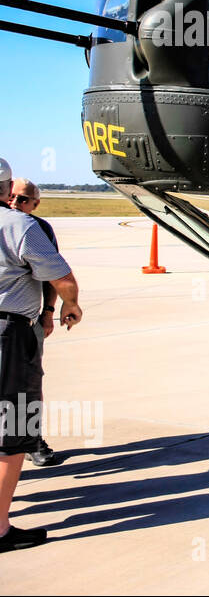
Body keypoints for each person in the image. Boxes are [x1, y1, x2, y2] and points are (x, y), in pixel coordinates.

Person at [0, 157, 82, 553]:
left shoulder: (33, 225)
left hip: (19, 326)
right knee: (13, 430)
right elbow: (61, 277)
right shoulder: (21, 227)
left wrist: (48, 311)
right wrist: (72, 305)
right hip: (8, 335)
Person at [7, 178, 62, 466]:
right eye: (12, 197)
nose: (16, 203)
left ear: (35, 204)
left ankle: (32, 440)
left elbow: (53, 274)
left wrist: (49, 312)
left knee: (27, 384)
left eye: (23, 200)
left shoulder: (38, 229)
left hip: (25, 322)